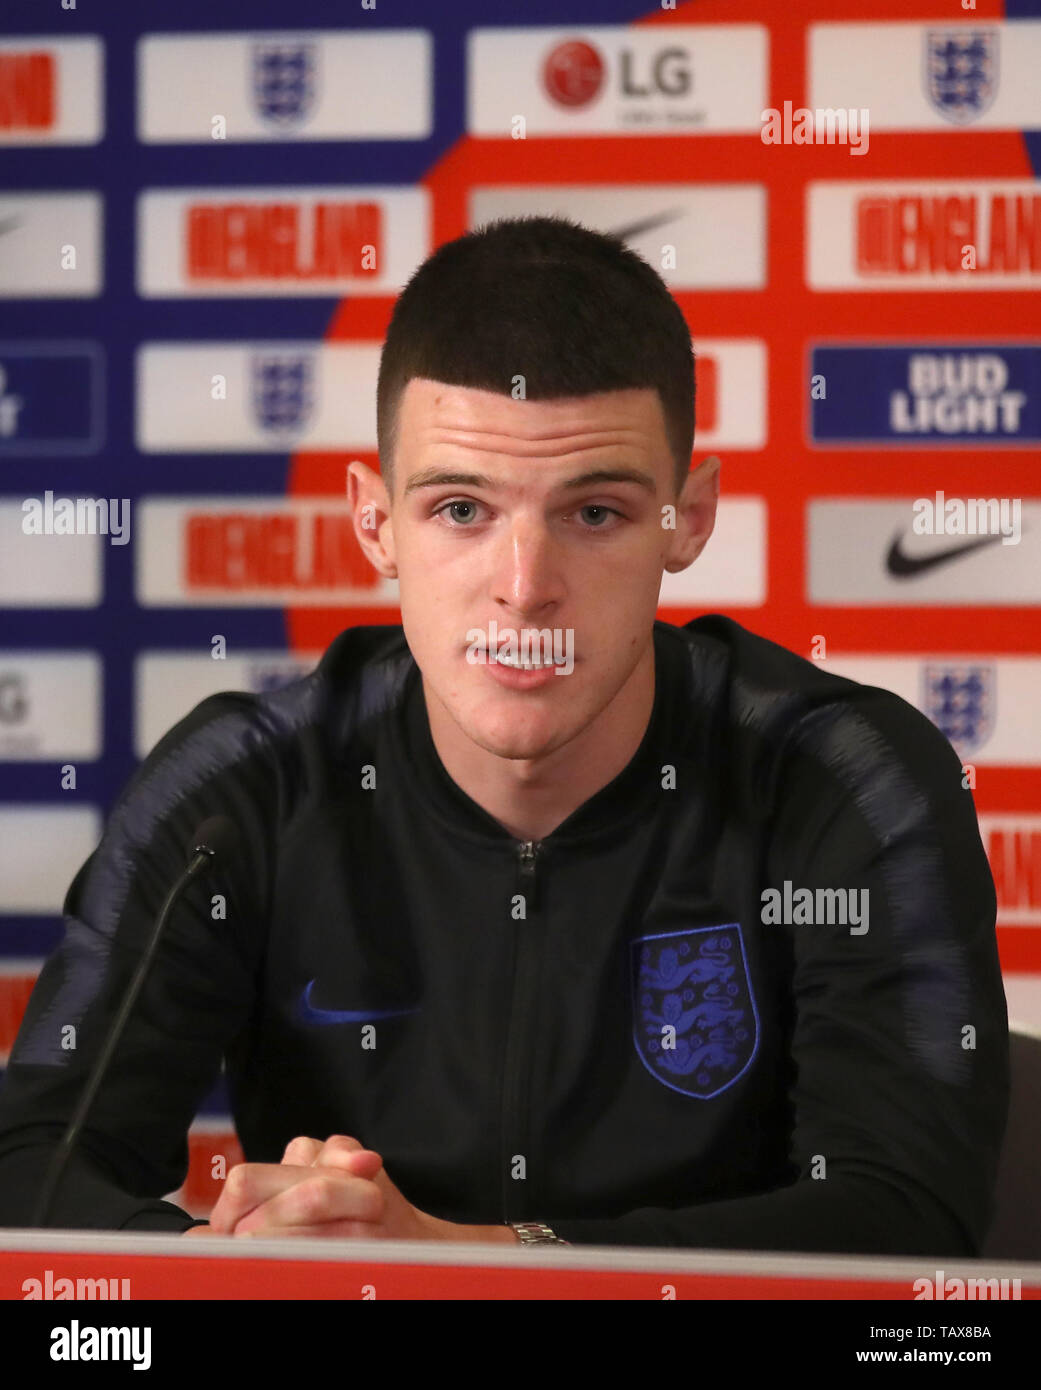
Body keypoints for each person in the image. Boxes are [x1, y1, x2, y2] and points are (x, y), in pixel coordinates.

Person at [0, 215, 1009, 1252]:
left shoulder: (844, 779)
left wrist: (468, 1261)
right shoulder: (242, 788)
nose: (524, 590)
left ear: (688, 516)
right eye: (460, 510)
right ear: (374, 520)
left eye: (597, 514)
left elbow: (908, 1221)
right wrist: (222, 1272)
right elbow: (29, 1162)